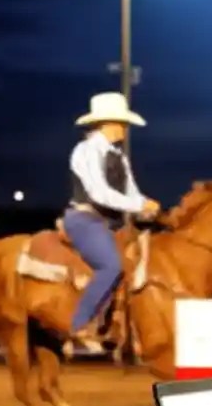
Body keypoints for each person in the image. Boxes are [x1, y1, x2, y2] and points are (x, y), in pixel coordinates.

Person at [64, 92, 161, 350]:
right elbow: (98, 192)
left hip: (112, 223)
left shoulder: (119, 157)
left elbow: (131, 191)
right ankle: (79, 323)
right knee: (111, 266)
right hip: (86, 219)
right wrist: (139, 205)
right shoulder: (85, 151)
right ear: (108, 123)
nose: (125, 129)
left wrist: (145, 205)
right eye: (122, 123)